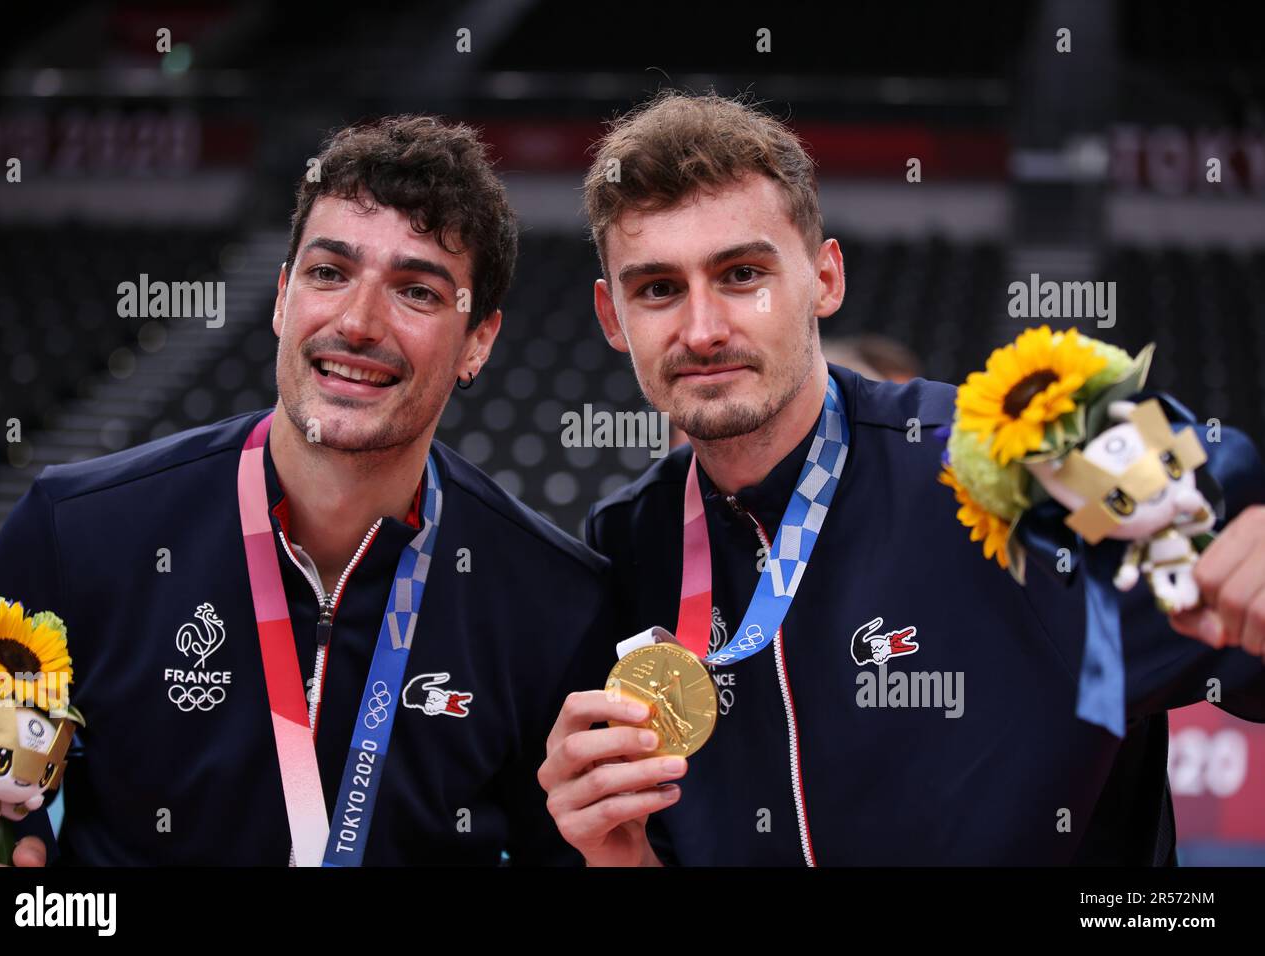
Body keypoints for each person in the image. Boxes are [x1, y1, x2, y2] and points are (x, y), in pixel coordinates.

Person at [537, 92, 1265, 866]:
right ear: (612, 317)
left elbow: (1203, 490)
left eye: (742, 273)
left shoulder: (1001, 461)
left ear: (825, 278)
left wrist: (1242, 526)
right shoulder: (628, 539)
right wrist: (620, 858)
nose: (703, 328)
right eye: (657, 289)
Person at [0, 116, 613, 865]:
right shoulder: (70, 533)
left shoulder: (558, 604)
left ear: (478, 340)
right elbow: (4, 829)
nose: (357, 322)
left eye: (415, 290)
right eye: (329, 273)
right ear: (282, 298)